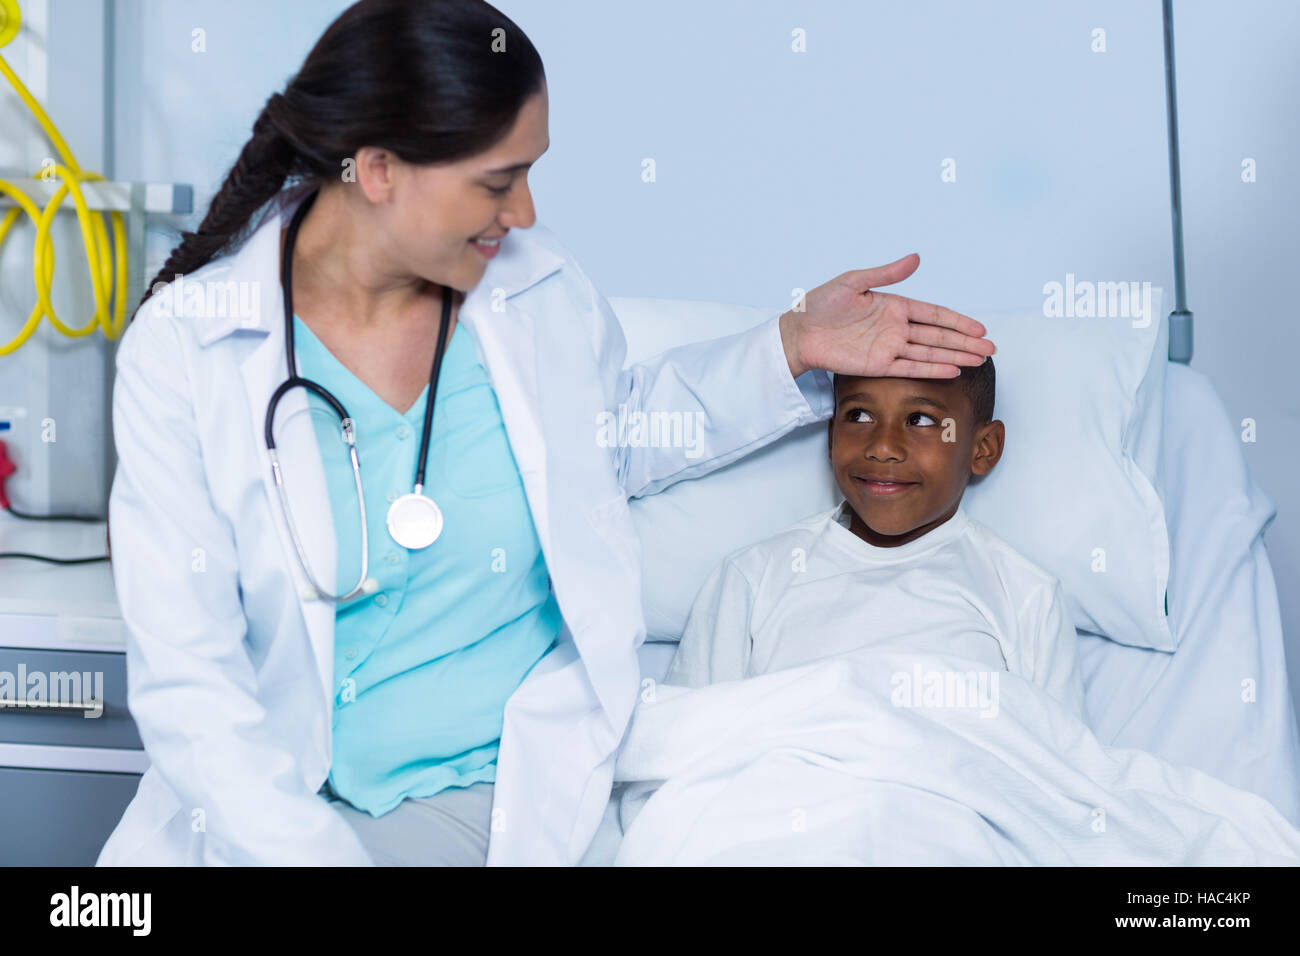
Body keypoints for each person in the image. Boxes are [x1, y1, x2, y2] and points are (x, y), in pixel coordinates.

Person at [96, 0, 994, 867]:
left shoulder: (533, 290)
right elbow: (191, 681)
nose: (524, 214)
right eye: (497, 181)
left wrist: (790, 345)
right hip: (263, 806)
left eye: (531, 172)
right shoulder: (189, 348)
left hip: (487, 793)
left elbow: (608, 441)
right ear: (376, 171)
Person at [667, 358, 1087, 722]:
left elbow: (1061, 771)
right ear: (832, 436)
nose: (883, 447)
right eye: (859, 417)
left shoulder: (1025, 595)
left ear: (983, 448)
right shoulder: (753, 577)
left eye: (921, 421)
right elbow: (683, 739)